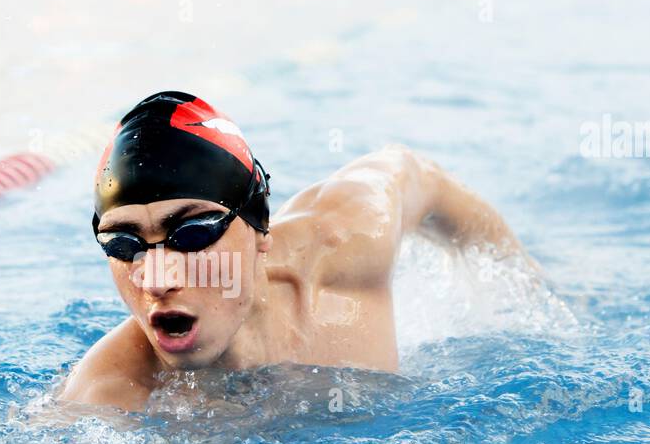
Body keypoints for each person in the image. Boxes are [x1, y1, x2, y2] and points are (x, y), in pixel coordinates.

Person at [60, 91, 531, 411]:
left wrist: (522, 283)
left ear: (260, 226)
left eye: (192, 233)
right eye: (125, 244)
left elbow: (416, 173)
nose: (157, 278)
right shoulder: (109, 394)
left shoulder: (344, 241)